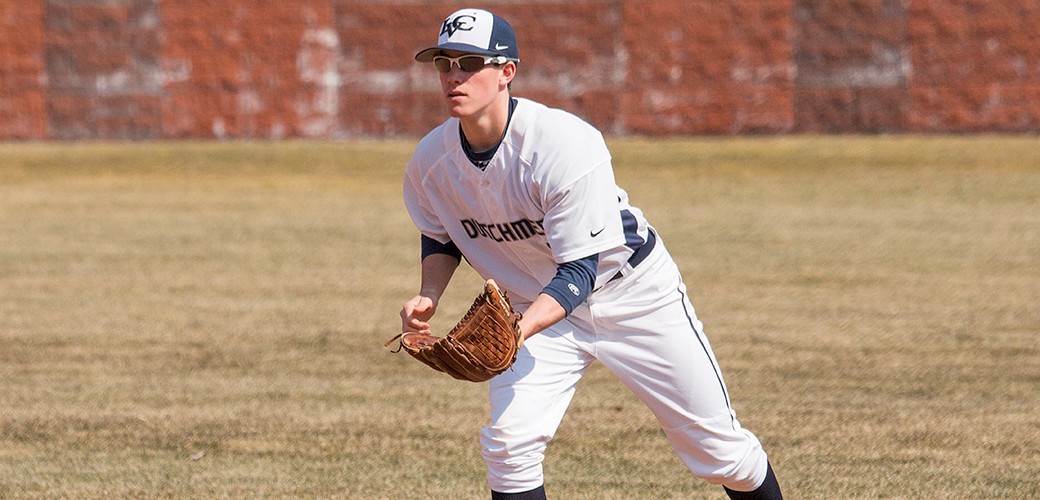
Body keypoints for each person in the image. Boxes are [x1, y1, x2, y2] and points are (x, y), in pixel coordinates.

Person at [399, 8, 783, 500]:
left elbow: (581, 269)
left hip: (631, 295)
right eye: (444, 63)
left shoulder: (562, 145)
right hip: (533, 309)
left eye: (471, 63)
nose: (455, 76)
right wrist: (429, 293)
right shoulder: (431, 161)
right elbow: (441, 231)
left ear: (506, 73)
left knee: (719, 453)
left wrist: (515, 331)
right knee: (509, 446)